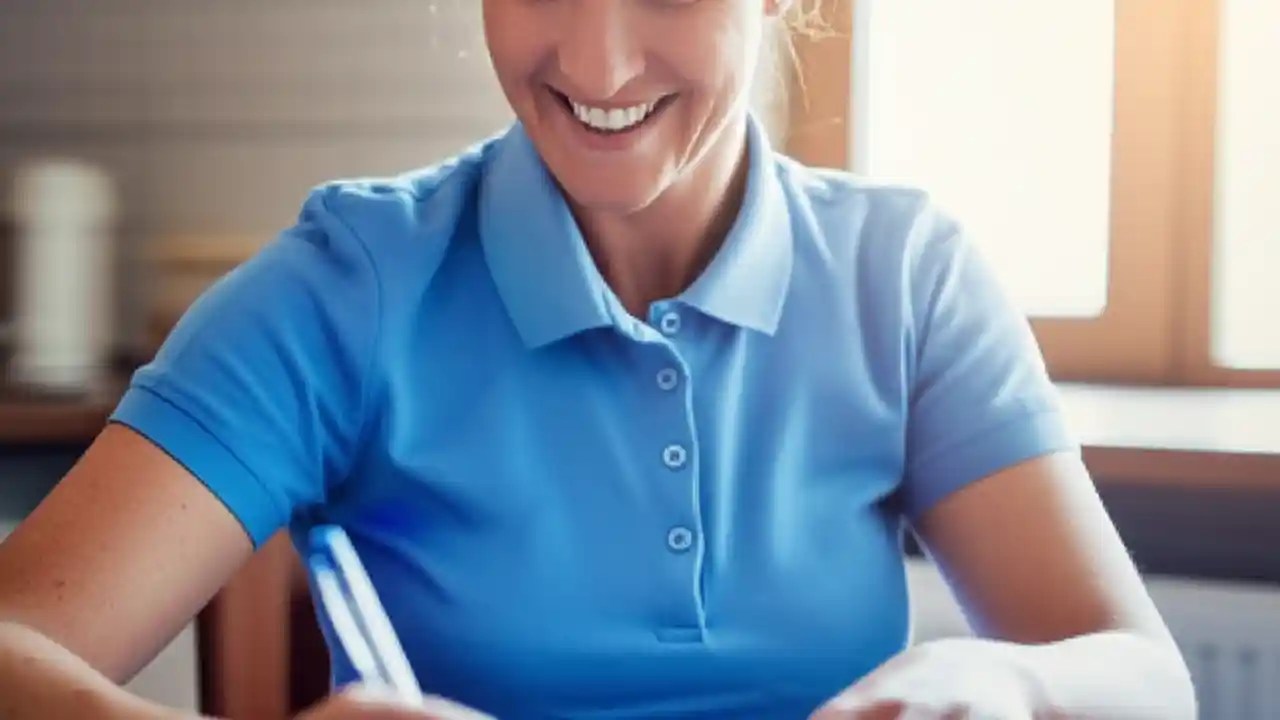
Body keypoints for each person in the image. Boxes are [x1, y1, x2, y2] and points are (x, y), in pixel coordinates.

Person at [0, 1, 1196, 718]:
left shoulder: (904, 278)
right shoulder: (351, 285)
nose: (599, 63)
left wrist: (1009, 687)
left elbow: (1145, 678)